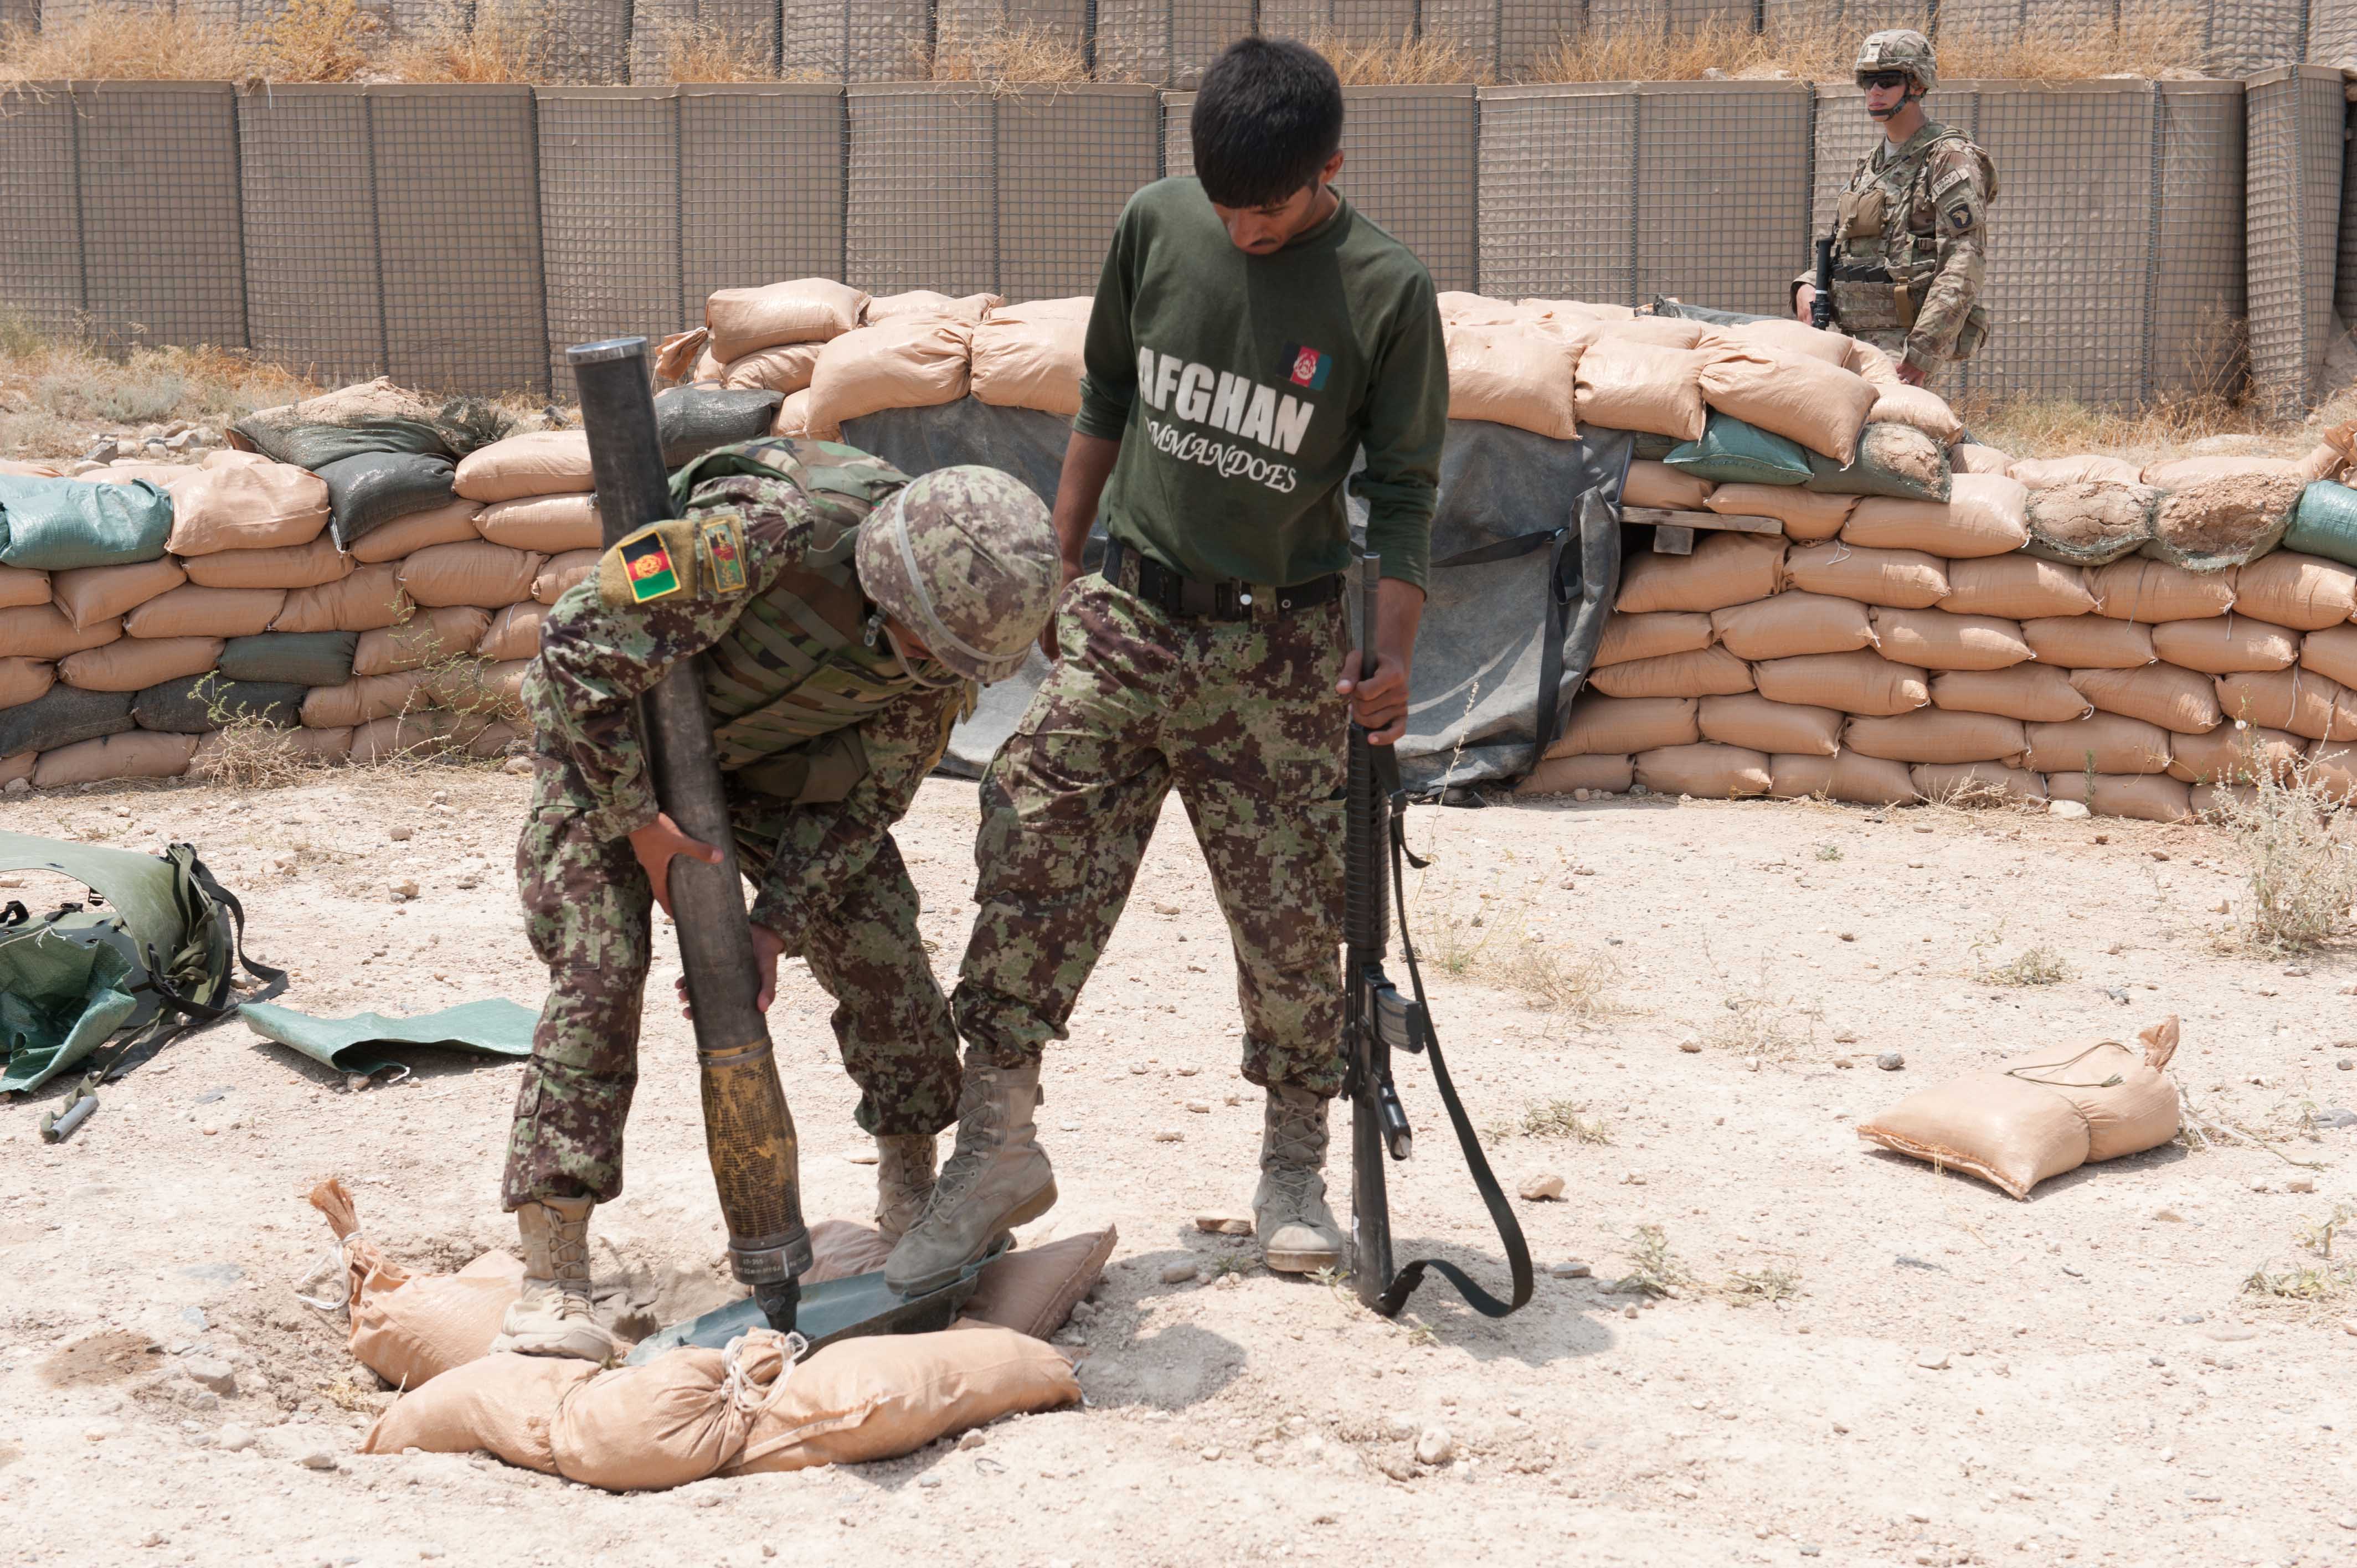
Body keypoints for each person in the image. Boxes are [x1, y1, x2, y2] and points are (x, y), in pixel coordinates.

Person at [883, 37, 1448, 1296]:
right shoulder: (1157, 225)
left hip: (1283, 647)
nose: (1243, 232)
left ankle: (1294, 1169)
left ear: (1330, 170)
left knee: (1299, 915)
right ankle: (994, 1151)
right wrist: (1056, 565)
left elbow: (1404, 500)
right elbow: (1102, 400)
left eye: (1269, 210)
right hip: (1128, 619)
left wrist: (1390, 653)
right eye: (1225, 207)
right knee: (1029, 831)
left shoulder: (1385, 292)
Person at [497, 439, 1058, 1361]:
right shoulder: (767, 531)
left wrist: (773, 922)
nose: (928, 669)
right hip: (613, 748)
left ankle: (911, 1194)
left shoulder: (944, 651)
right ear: (890, 580)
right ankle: (553, 1271)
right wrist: (640, 824)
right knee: (601, 971)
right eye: (922, 645)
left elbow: (867, 797)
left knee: (884, 954)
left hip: (764, 771)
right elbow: (576, 646)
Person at [1792, 29, 1997, 388]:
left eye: (1887, 81)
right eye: (1868, 81)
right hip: (1852, 336)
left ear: (1917, 85)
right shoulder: (1869, 166)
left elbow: (1965, 261)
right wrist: (1806, 287)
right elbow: (1847, 251)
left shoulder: (1946, 159)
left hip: (1903, 344)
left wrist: (1922, 350)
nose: (1874, 91)